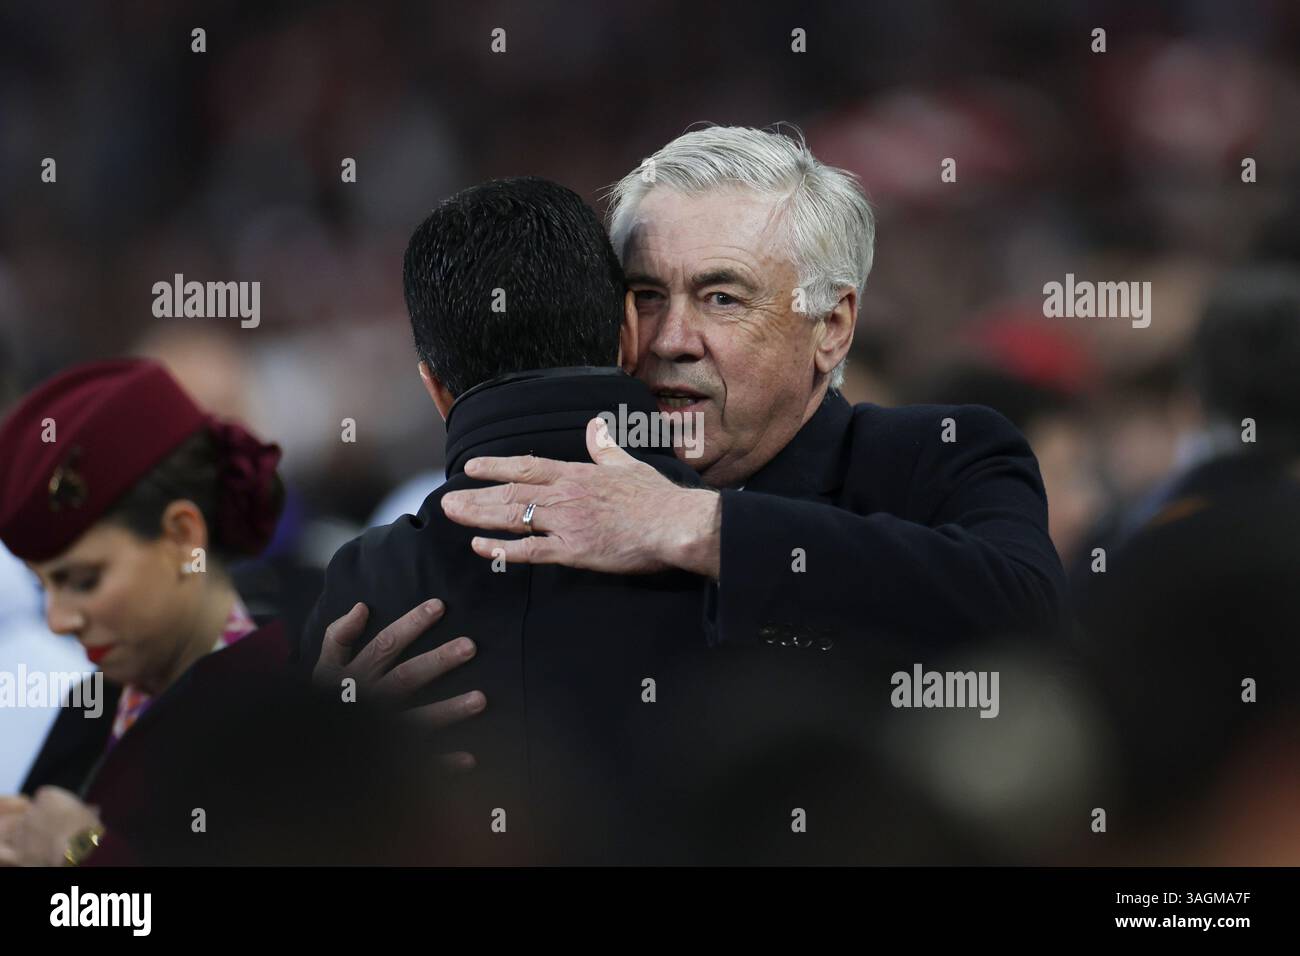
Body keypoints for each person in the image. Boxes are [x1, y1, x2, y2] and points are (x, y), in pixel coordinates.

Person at [442, 127, 1067, 655]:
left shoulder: (935, 458)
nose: (671, 340)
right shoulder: (569, 491)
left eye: (722, 298)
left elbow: (1024, 611)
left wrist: (695, 525)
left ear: (831, 325)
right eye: (647, 297)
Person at [301, 177, 715, 864]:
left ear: (435, 389)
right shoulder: (770, 546)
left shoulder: (365, 588)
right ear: (627, 337)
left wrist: (327, 747)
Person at [0, 359, 455, 864]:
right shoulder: (93, 707)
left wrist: (81, 855)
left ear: (182, 537)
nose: (58, 620)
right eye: (42, 586)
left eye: (84, 581)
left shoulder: (294, 700)